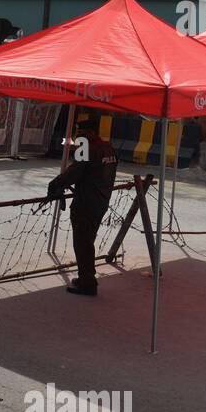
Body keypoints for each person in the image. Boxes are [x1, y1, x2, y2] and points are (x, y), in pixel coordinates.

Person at [47, 118, 119, 296]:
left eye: (80, 132)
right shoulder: (108, 148)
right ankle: (86, 278)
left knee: (83, 242)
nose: (78, 136)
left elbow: (73, 173)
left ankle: (87, 281)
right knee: (88, 240)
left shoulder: (87, 148)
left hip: (86, 203)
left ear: (90, 133)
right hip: (101, 200)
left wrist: (55, 184)